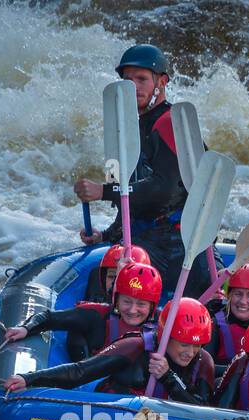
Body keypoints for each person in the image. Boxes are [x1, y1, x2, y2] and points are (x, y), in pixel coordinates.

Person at [72, 44, 221, 299]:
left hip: (181, 244)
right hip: (149, 238)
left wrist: (103, 192)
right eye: (128, 80)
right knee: (102, 277)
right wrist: (108, 235)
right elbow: (134, 194)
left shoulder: (170, 122)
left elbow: (164, 190)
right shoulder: (129, 129)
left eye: (142, 79)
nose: (134, 87)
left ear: (161, 82)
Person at [3, 298, 215, 404]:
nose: (191, 352)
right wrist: (28, 379)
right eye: (184, 344)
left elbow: (204, 409)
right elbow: (80, 372)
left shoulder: (203, 360)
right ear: (165, 336)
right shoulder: (135, 346)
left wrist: (168, 378)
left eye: (197, 345)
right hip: (113, 419)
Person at [4, 262, 161, 361]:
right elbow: (49, 318)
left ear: (152, 306)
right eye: (126, 301)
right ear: (116, 299)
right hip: (96, 394)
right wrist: (26, 328)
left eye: (141, 304)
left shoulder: (164, 327)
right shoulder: (97, 315)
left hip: (141, 407)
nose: (132, 310)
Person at [84, 243, 151, 302]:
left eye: (127, 279)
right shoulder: (96, 292)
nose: (116, 281)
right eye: (111, 277)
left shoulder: (144, 310)